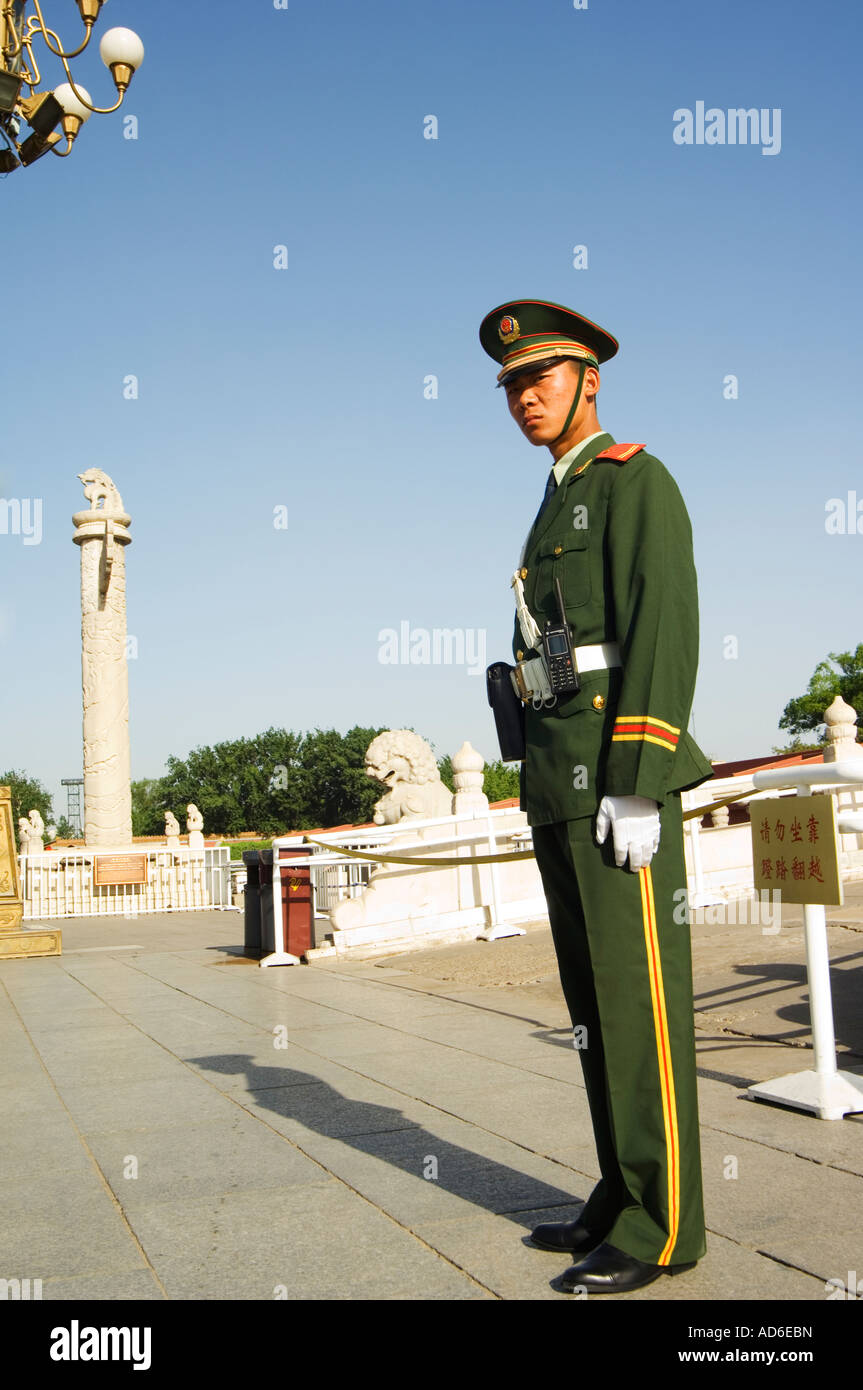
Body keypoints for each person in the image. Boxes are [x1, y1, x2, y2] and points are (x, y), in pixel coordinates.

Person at [479, 298, 714, 1295]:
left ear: (590, 379)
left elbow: (660, 632)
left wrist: (637, 783)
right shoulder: (551, 502)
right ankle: (619, 1192)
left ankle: (664, 1224)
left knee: (638, 1004)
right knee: (590, 1007)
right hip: (554, 783)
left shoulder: (635, 482)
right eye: (511, 385)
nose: (525, 395)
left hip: (613, 786)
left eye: (541, 376)